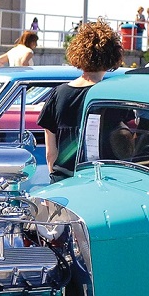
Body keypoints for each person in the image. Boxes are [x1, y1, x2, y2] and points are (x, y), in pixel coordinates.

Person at [40, 21, 124, 180]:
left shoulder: (58, 94)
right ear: (112, 55)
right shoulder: (113, 97)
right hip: (100, 182)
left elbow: (51, 153)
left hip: (63, 183)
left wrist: (55, 179)